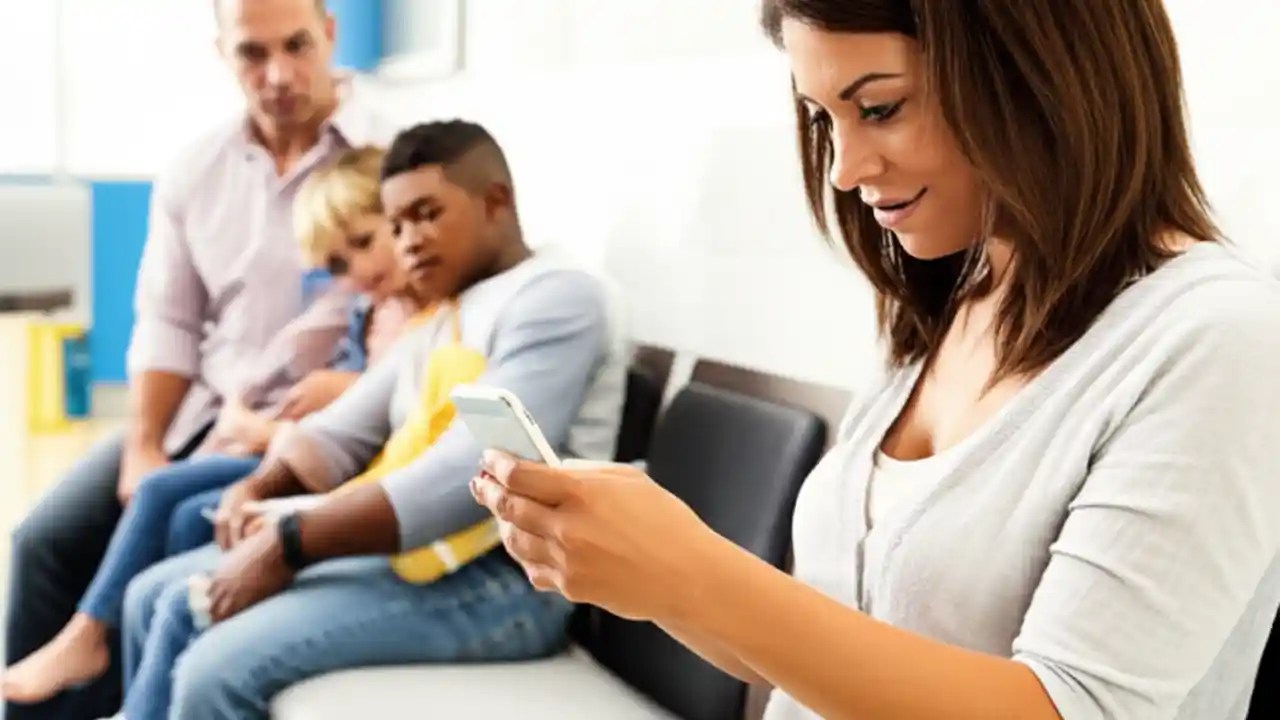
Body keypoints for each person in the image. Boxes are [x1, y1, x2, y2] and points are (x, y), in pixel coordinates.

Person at [474, 2, 1280, 719]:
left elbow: (1068, 707)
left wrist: (693, 573)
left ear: (1043, 75)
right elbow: (829, 648)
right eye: (825, 119)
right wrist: (645, 574)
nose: (844, 170)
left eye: (882, 108)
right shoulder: (949, 305)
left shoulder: (1218, 336)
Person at [114, 120, 628, 720]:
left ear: (496, 201)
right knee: (152, 596)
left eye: (427, 213)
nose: (409, 239)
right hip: (430, 558)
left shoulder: (556, 299)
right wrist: (260, 486)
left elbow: (467, 478)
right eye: (399, 223)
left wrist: (289, 544)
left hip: (510, 585)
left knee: (213, 671)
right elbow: (344, 428)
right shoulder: (451, 306)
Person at [2, 0, 388, 715]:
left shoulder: (395, 155)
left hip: (308, 432)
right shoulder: (197, 169)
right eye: (252, 54)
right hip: (204, 412)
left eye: (297, 45)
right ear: (223, 54)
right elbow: (169, 320)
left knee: (180, 530)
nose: (277, 74)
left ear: (330, 34)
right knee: (43, 542)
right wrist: (144, 443)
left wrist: (347, 395)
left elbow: (427, 321)